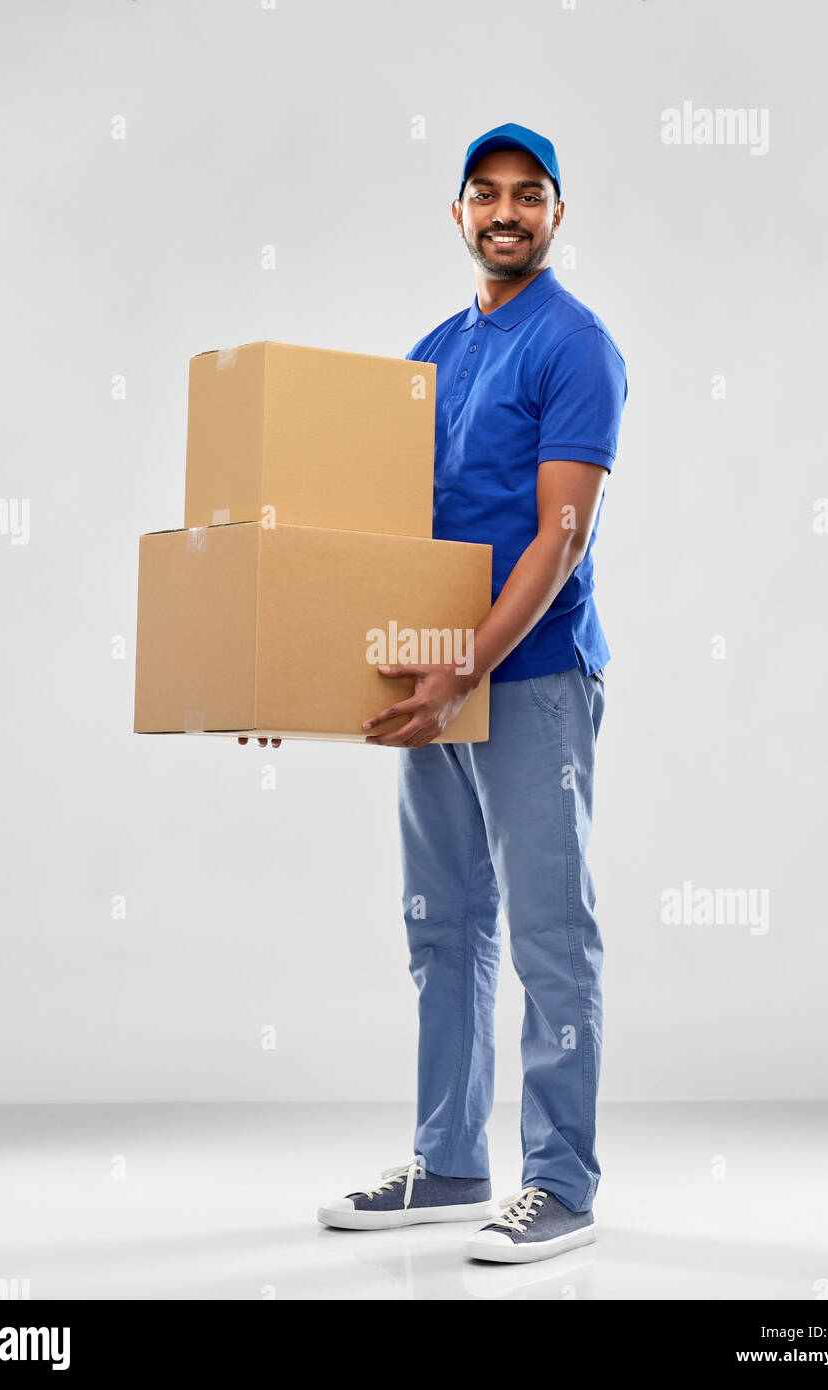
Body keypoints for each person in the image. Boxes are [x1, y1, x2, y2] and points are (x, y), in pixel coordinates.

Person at [250, 122, 628, 1264]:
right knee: (445, 925)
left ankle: (560, 1182)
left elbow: (560, 534)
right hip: (437, 678)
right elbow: (375, 539)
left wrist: (474, 658)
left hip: (535, 674)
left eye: (529, 194)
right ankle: (451, 1158)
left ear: (558, 215)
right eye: (485, 193)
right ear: (458, 214)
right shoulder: (430, 352)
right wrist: (281, 668)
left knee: (550, 934)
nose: (505, 211)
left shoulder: (577, 345)